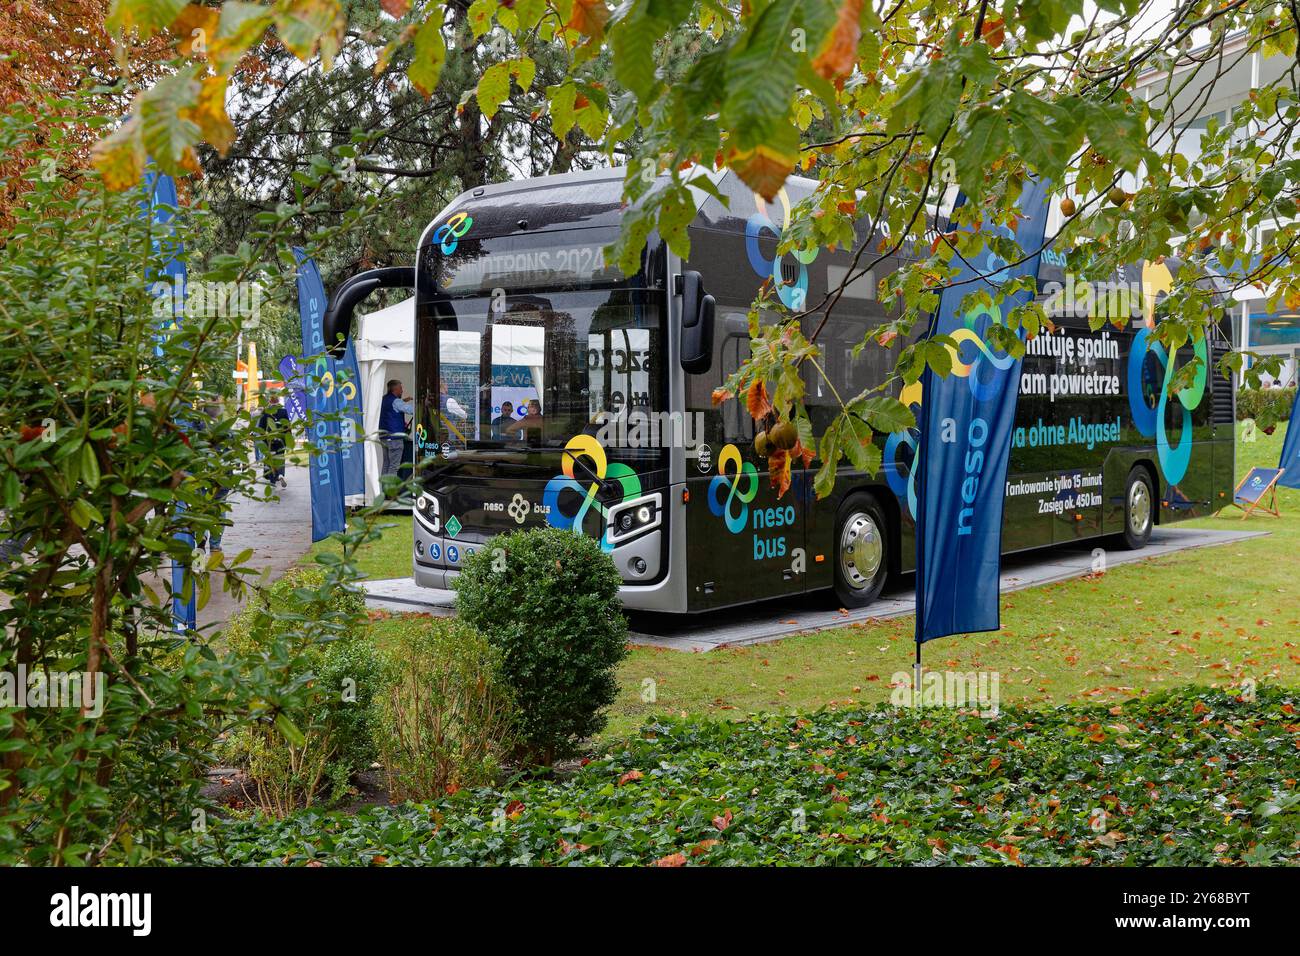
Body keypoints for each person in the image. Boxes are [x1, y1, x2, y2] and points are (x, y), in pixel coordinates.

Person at [379, 378, 415, 477]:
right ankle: (391, 491)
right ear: (395, 390)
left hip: (384, 437)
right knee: (394, 466)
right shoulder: (396, 402)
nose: (402, 390)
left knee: (386, 464)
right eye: (401, 388)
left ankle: (384, 490)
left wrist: (403, 400)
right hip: (395, 438)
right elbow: (411, 410)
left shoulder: (383, 399)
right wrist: (421, 404)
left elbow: (392, 407)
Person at [257, 393, 291, 489]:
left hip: (269, 440)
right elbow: (288, 427)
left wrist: (264, 440)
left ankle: (272, 480)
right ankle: (280, 475)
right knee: (280, 458)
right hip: (281, 440)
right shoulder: (283, 411)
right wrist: (288, 439)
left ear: (270, 401)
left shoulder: (265, 412)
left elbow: (261, 428)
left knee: (271, 459)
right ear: (278, 401)